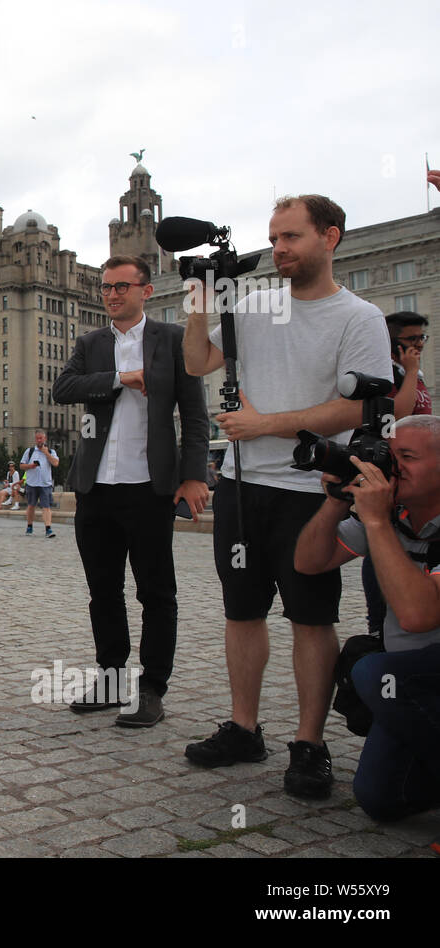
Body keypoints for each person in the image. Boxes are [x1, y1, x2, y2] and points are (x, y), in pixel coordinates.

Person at [182, 193, 392, 799]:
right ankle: (244, 728)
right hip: (245, 488)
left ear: (331, 237)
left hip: (313, 489)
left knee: (312, 617)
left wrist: (266, 424)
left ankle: (310, 743)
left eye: (292, 237)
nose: (278, 249)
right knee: (241, 611)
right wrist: (200, 303)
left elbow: (360, 405)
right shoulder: (255, 305)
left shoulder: (360, 318)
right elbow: (198, 362)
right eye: (274, 238)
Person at [53, 254, 210, 727]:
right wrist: (121, 380)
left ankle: (152, 688)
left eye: (123, 286)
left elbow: (196, 415)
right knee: (103, 590)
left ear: (146, 291)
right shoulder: (91, 343)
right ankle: (111, 677)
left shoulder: (174, 339)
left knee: (156, 592)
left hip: (150, 486)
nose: (113, 294)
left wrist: (194, 475)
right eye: (106, 287)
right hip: (96, 487)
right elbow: (63, 388)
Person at [293, 415, 440, 822]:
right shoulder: (396, 515)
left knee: (375, 672)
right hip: (418, 681)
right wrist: (338, 500)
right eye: (388, 457)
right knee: (381, 798)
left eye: (406, 457)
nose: (391, 468)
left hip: (418, 674)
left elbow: (417, 616)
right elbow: (309, 561)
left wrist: (375, 521)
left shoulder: (383, 519)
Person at [361, 312, 432, 637]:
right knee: (383, 539)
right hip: (392, 474)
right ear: (393, 344)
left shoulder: (412, 374)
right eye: (412, 340)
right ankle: (379, 627)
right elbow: (397, 416)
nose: (418, 346)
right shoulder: (387, 374)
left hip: (418, 475)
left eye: (422, 339)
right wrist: (413, 370)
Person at [20, 430, 59, 537]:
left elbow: (55, 463)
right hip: (32, 483)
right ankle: (29, 526)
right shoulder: (30, 451)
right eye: (37, 438)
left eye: (41, 438)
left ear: (45, 439)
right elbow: (22, 465)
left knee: (46, 507)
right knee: (31, 505)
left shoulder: (51, 452)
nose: (39, 440)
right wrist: (30, 466)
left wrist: (46, 453)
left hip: (45, 484)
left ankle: (48, 528)